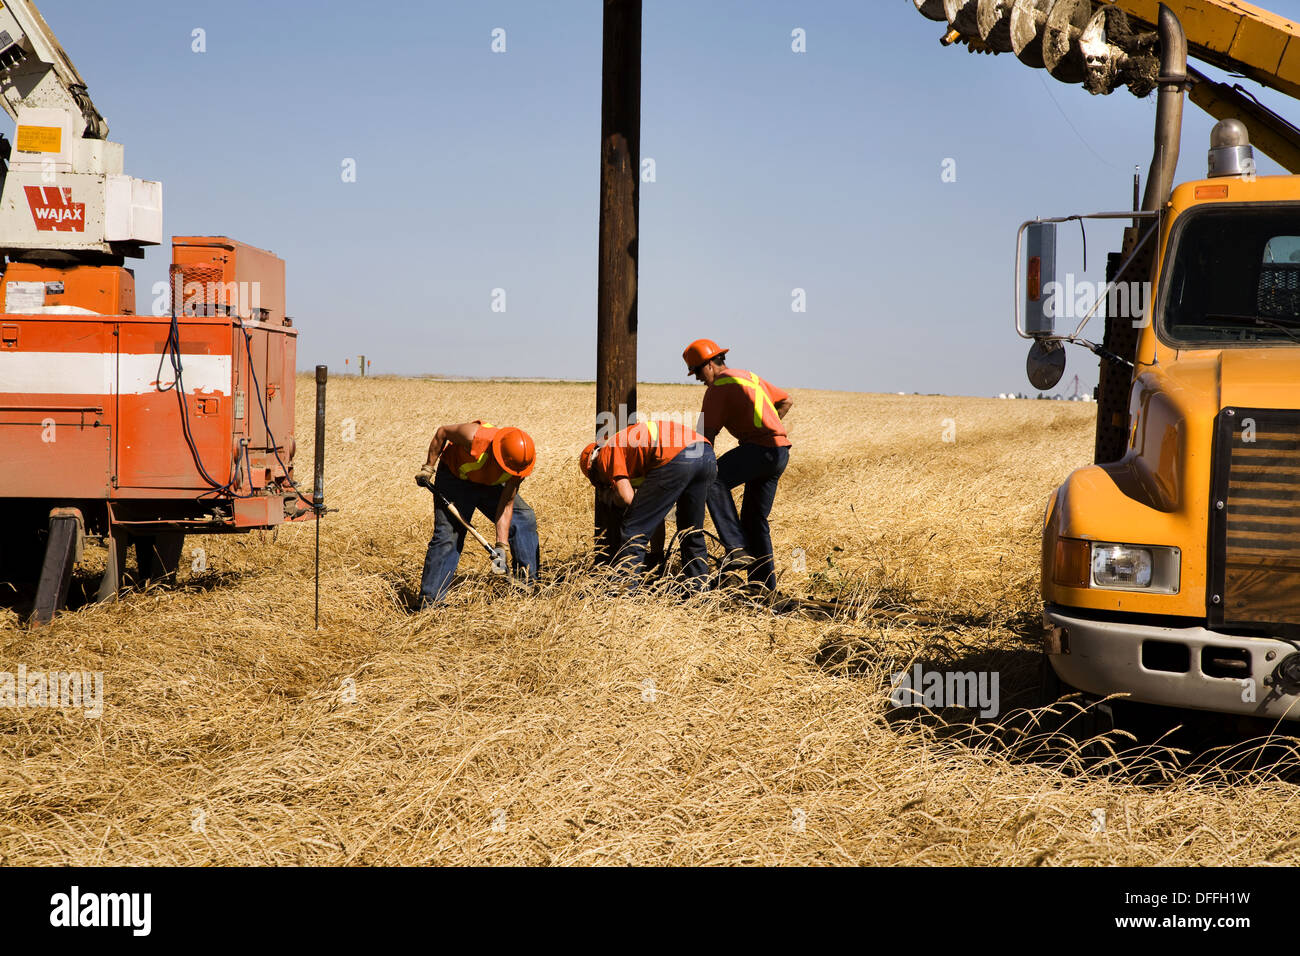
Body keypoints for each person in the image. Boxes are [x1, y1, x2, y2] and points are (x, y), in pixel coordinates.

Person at [683, 338, 792, 591]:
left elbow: (704, 440)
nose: (698, 378)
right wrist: (767, 425)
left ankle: (736, 547)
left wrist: (687, 472)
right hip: (780, 452)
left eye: (698, 371)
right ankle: (763, 587)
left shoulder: (718, 388)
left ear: (709, 364)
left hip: (759, 450)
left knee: (712, 479)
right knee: (755, 520)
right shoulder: (748, 377)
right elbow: (786, 401)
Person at [580, 419, 716, 593]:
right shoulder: (633, 449)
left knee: (633, 529)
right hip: (705, 453)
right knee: (690, 532)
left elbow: (631, 502)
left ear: (592, 467)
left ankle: (622, 594)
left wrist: (618, 503)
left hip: (676, 458)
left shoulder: (605, 454)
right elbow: (653, 512)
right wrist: (656, 556)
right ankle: (700, 593)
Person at [415, 421, 539, 606]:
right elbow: (442, 432)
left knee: (523, 518)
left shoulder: (518, 465)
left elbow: (506, 504)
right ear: (499, 455)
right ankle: (430, 602)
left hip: (490, 484)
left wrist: (501, 546)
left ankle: (526, 588)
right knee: (449, 535)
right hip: (455, 479)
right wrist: (428, 468)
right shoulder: (474, 436)